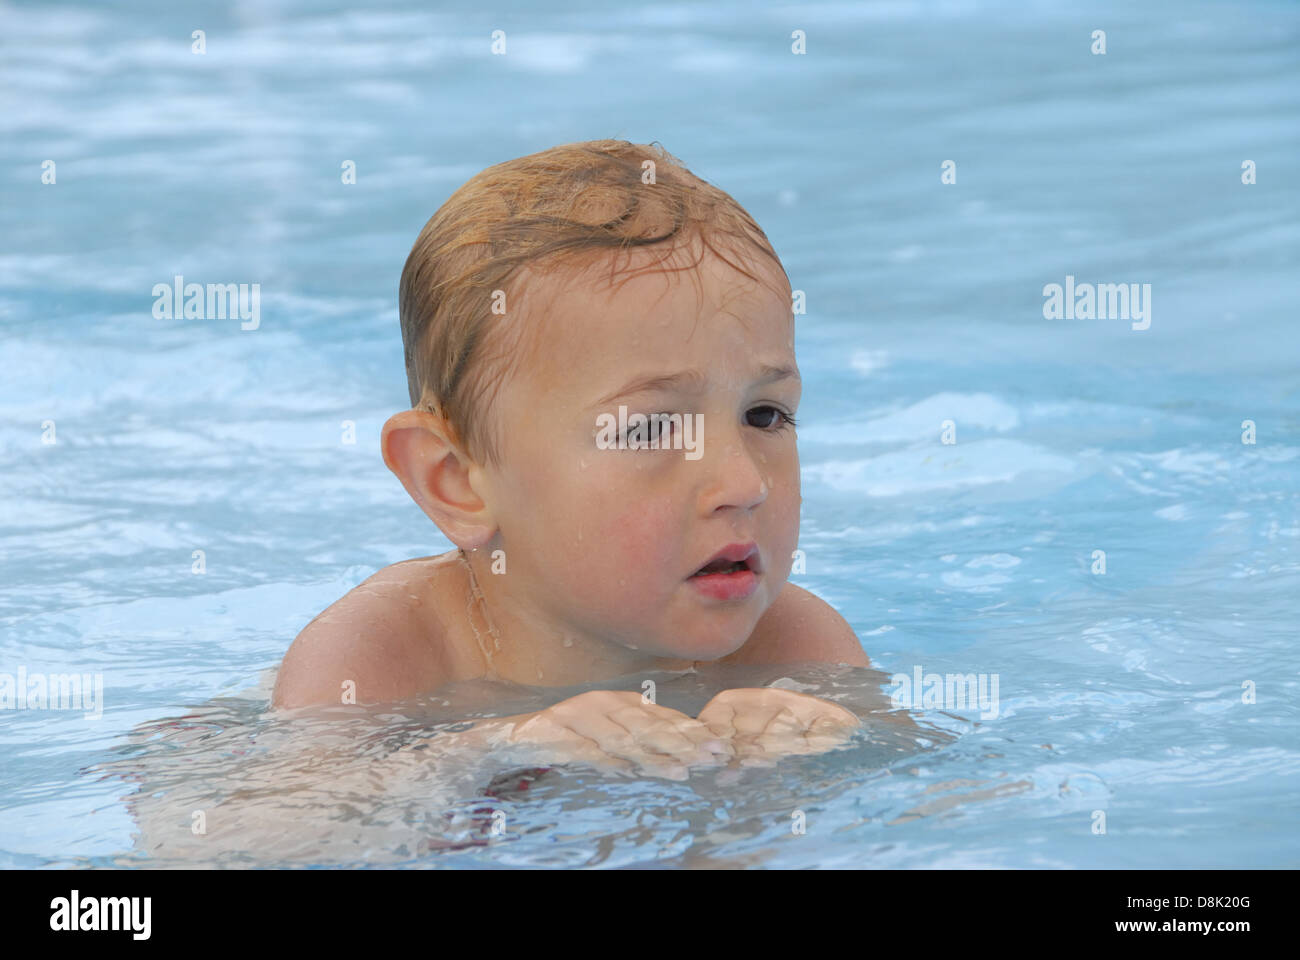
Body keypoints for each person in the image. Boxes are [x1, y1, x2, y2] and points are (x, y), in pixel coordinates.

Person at [272, 139, 877, 780]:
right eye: (649, 429)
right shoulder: (384, 653)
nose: (744, 482)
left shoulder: (794, 645)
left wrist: (835, 756)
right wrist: (479, 755)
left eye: (765, 416)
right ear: (456, 481)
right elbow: (268, 834)